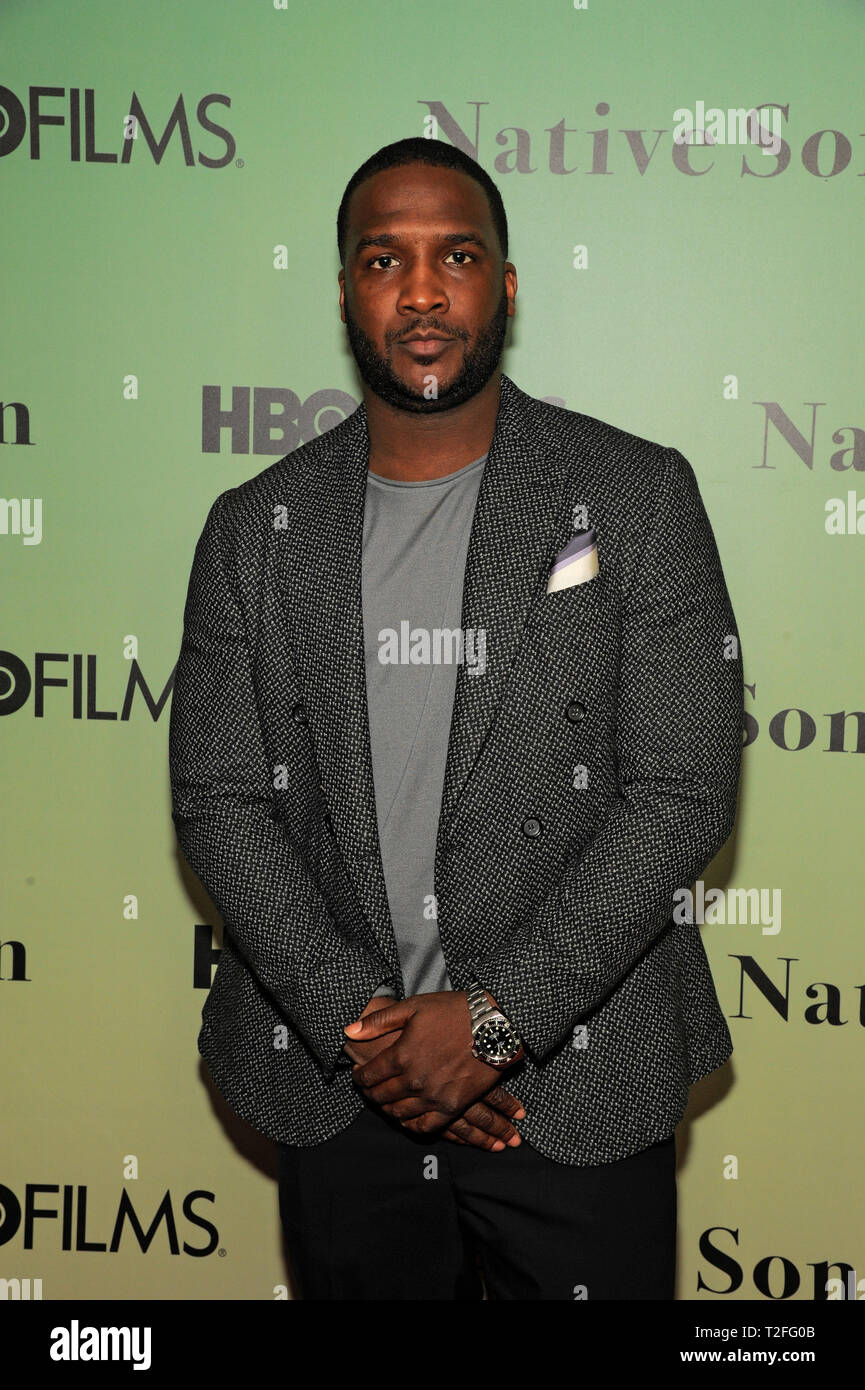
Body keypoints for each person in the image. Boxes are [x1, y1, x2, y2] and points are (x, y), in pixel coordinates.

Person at [168, 136, 744, 1300]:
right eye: (385, 259)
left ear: (506, 284)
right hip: (343, 1093)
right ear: (345, 289)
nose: (421, 292)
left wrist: (490, 1022)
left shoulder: (635, 495)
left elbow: (682, 788)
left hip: (577, 1086)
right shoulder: (255, 529)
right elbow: (219, 801)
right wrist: (373, 1036)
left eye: (456, 257)